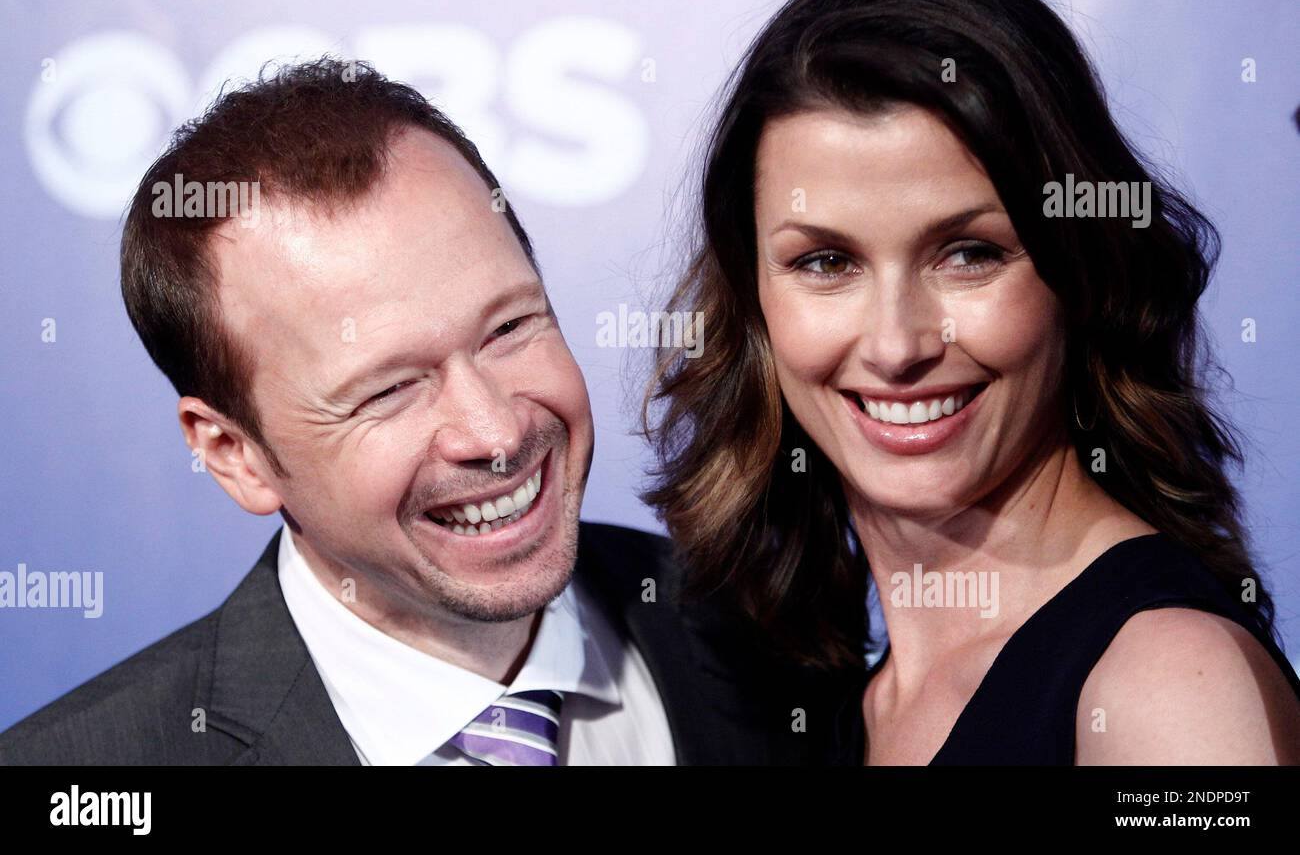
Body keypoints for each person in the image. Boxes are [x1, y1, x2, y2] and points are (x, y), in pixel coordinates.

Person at [0, 59, 858, 766]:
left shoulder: (776, 633)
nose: (495, 432)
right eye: (388, 390)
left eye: (510, 327)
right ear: (234, 455)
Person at [641, 0, 1300, 764]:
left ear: (1080, 271)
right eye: (825, 263)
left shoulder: (1167, 687)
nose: (896, 345)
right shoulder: (826, 706)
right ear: (754, 303)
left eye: (968, 254)